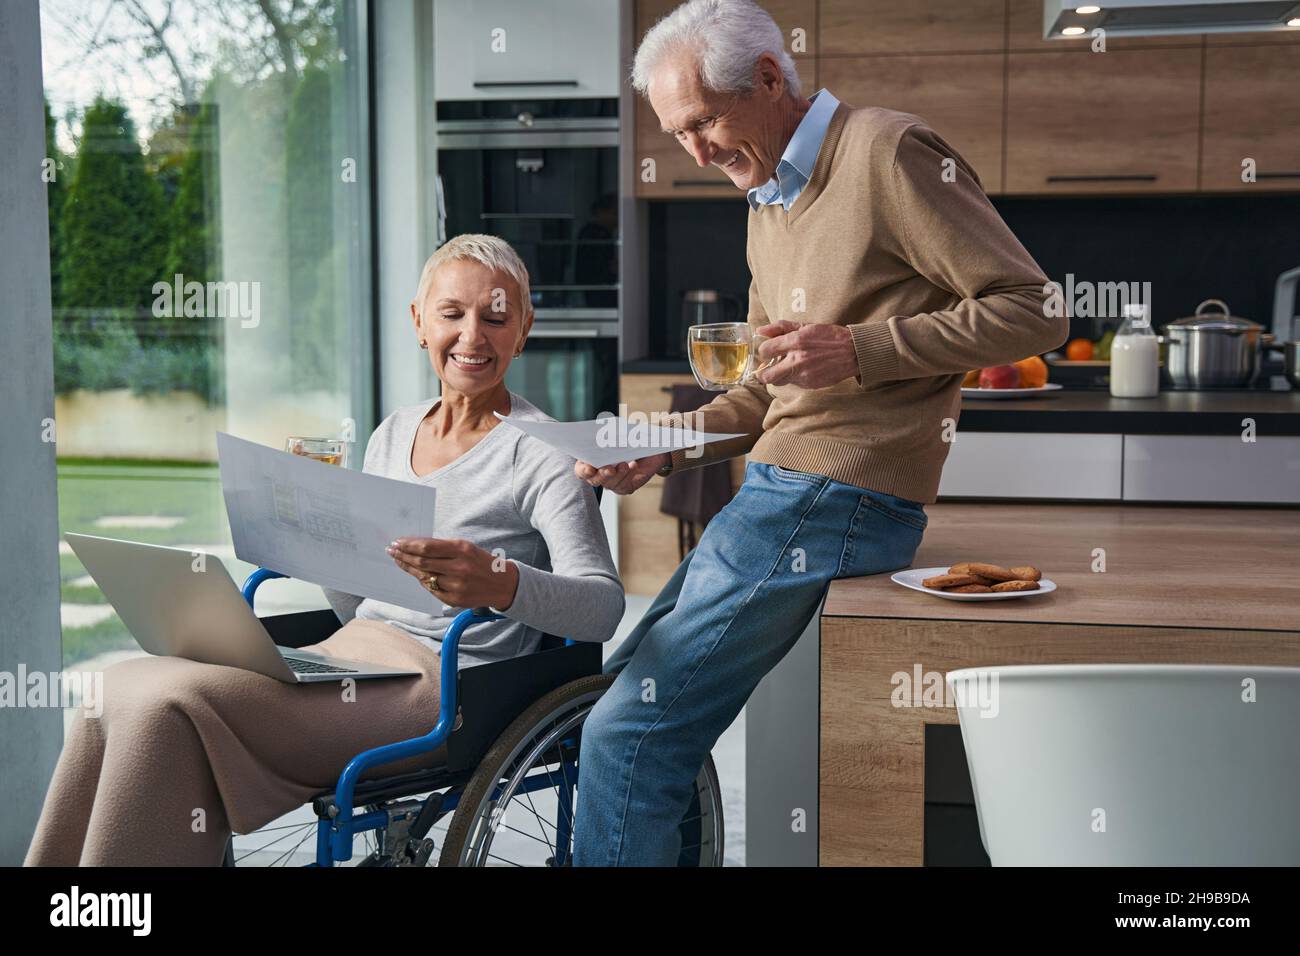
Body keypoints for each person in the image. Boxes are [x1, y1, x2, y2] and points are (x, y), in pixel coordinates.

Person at [570, 0, 1066, 866]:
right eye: (676, 133)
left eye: (704, 122)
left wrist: (861, 348)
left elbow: (1037, 310)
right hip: (781, 486)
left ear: (769, 80)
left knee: (626, 733)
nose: (695, 152)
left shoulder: (888, 151)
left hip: (839, 493)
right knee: (625, 698)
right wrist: (665, 444)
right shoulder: (766, 199)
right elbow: (763, 397)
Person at [25, 234, 623, 866]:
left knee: (167, 704)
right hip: (353, 655)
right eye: (452, 313)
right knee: (119, 684)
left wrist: (501, 583)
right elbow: (357, 603)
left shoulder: (546, 453)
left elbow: (603, 608)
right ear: (419, 323)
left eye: (496, 317)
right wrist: (311, 533)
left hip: (444, 688)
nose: (472, 336)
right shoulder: (394, 432)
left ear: (523, 329)